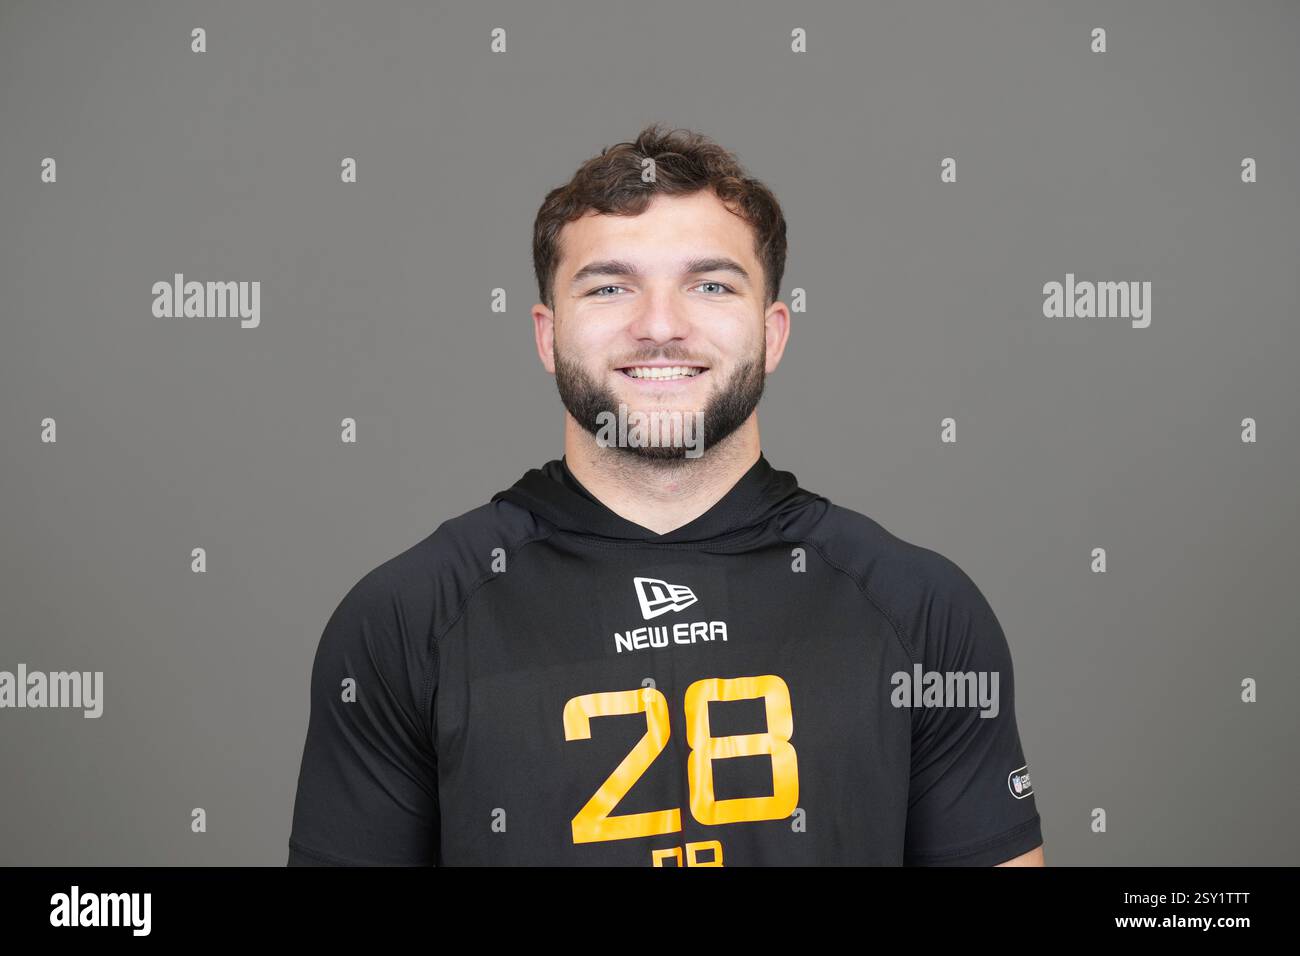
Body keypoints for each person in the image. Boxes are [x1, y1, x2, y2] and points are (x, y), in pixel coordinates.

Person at [287, 123, 1044, 866]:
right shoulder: (405, 620)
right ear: (547, 336)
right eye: (611, 286)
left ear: (773, 332)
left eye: (710, 285)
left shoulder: (919, 610)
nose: (660, 327)